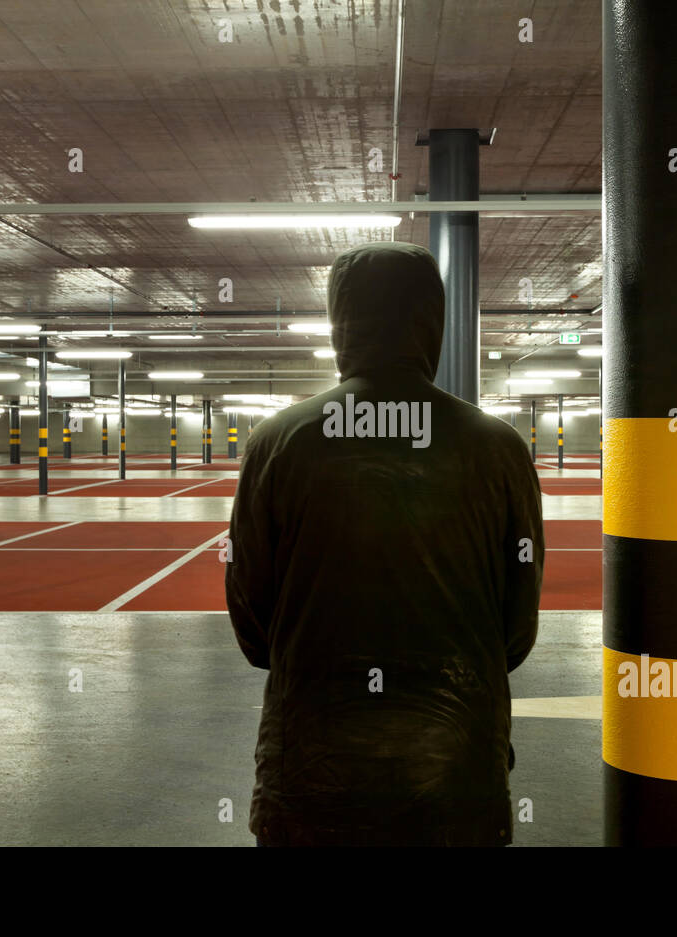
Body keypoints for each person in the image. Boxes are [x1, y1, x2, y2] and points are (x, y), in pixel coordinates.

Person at [225, 241, 544, 847]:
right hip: (457, 770)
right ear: (433, 321)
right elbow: (516, 627)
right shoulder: (498, 447)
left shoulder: (277, 442)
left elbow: (252, 621)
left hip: (311, 770)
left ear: (340, 322)